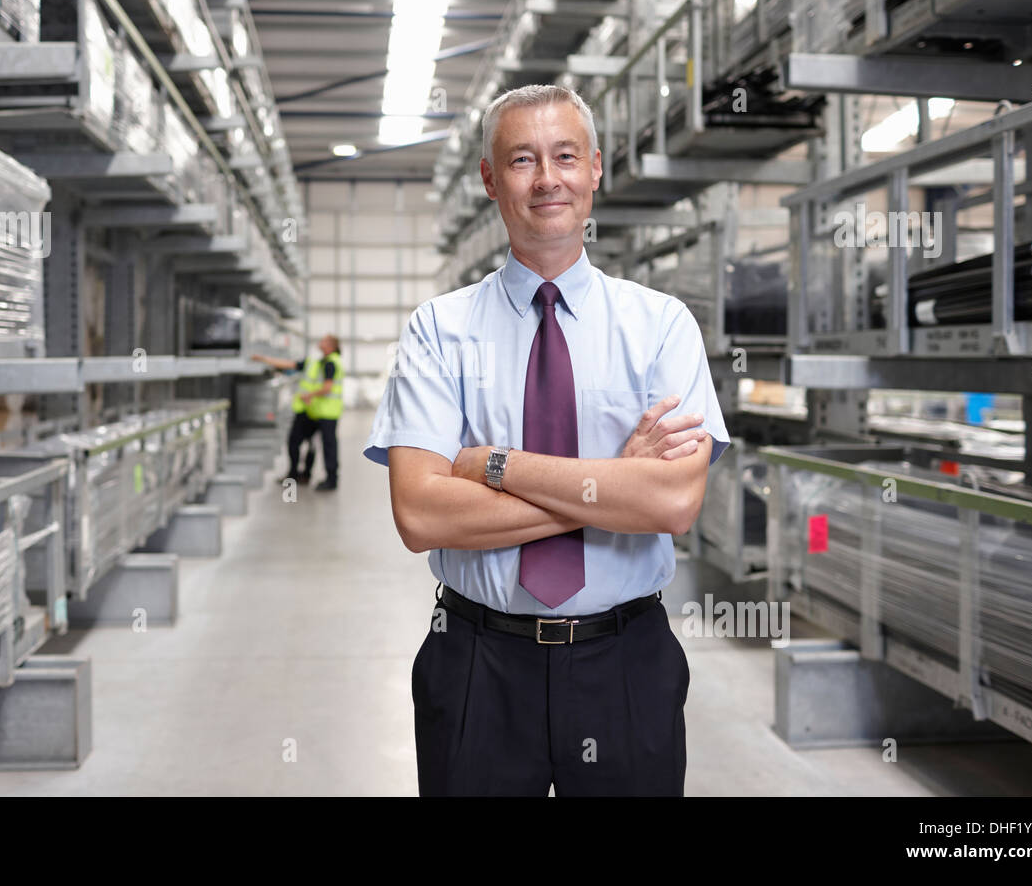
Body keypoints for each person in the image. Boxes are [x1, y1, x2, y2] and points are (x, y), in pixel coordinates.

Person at [363, 85, 730, 796]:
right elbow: (421, 515)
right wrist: (613, 484)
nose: (547, 179)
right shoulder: (438, 331)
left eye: (565, 156)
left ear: (595, 168)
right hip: (475, 662)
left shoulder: (661, 326)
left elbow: (675, 503)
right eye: (523, 160)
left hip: (626, 663)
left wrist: (495, 465)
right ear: (490, 179)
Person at [252, 334, 344, 491]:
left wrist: (309, 395)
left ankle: (331, 480)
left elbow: (328, 387)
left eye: (324, 341)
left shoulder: (331, 363)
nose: (320, 342)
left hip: (327, 412)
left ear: (332, 346)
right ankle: (297, 474)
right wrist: (264, 359)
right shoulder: (315, 362)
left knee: (328, 445)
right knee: (297, 441)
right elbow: (290, 364)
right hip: (312, 410)